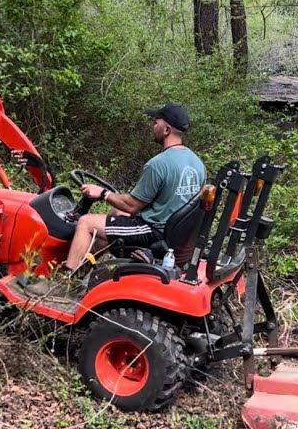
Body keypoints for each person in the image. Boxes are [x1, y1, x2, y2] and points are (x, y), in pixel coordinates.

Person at [25, 103, 206, 297]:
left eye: (155, 123)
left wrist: (103, 193)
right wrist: (116, 201)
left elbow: (132, 205)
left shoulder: (158, 164)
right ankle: (82, 271)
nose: (152, 126)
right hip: (175, 233)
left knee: (86, 222)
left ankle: (63, 285)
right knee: (116, 213)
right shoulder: (197, 163)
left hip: (154, 232)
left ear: (167, 129)